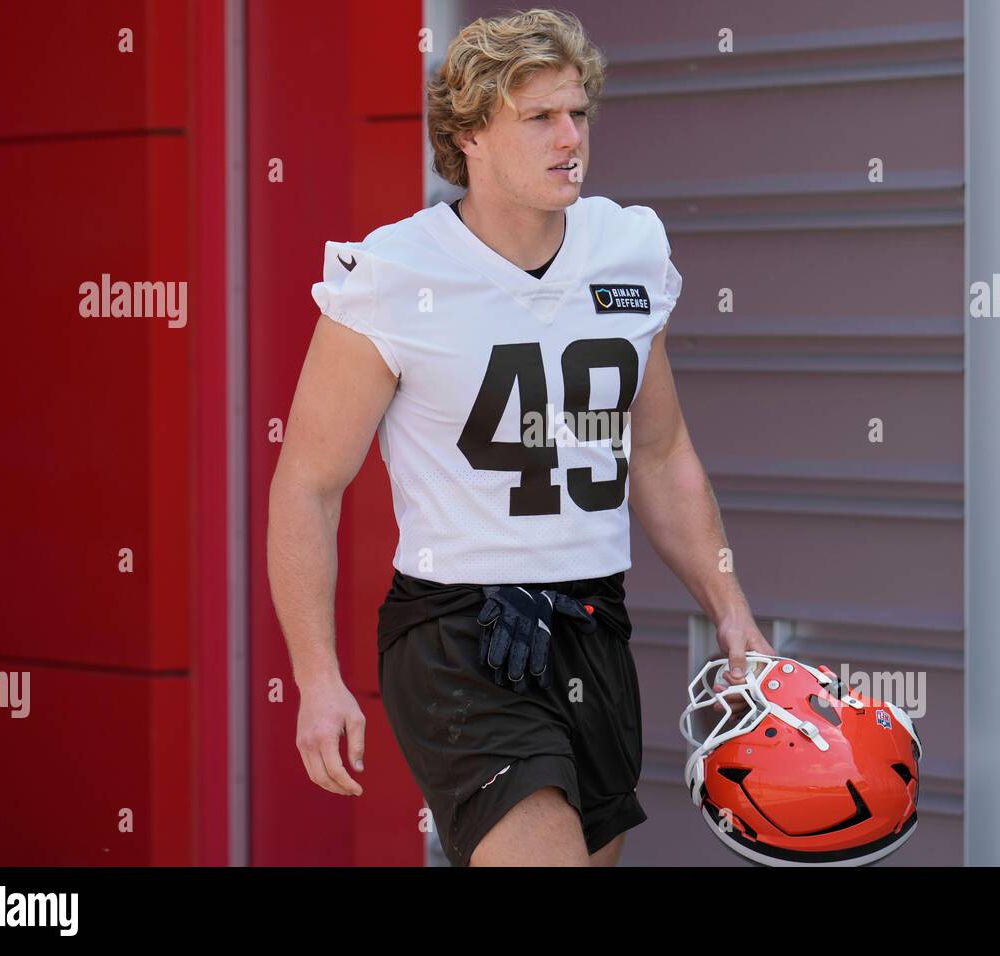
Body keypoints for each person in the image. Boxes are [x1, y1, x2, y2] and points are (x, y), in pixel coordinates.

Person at [267, 7, 774, 868]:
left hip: (592, 619)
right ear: (468, 134)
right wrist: (317, 677)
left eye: (578, 113)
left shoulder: (629, 248)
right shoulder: (394, 275)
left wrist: (734, 617)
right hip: (460, 630)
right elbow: (307, 484)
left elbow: (658, 452)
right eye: (538, 117)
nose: (569, 136)